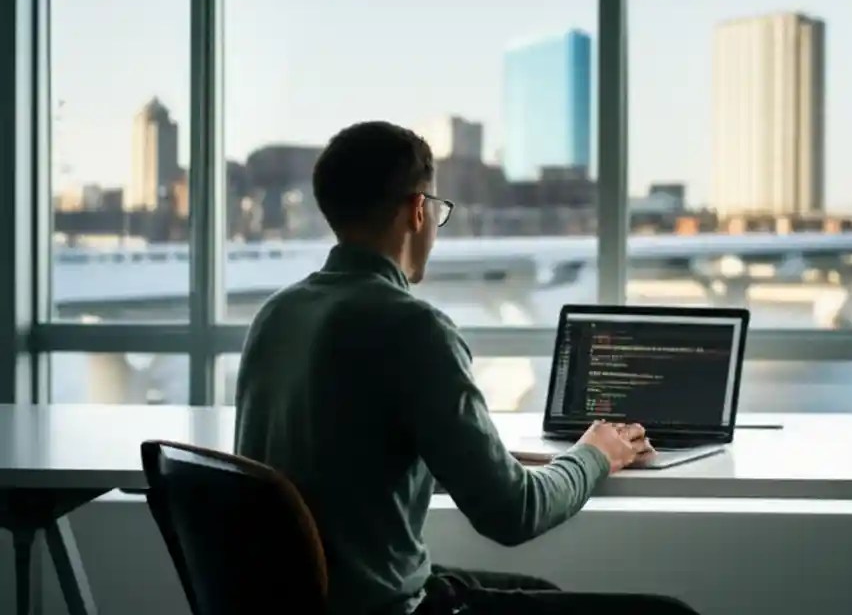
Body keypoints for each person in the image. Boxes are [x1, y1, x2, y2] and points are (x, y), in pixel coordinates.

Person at [234, 121, 699, 615]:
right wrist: (595, 453)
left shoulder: (276, 314)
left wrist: (496, 463)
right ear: (418, 210)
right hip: (386, 607)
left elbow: (350, 465)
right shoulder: (413, 327)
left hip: (306, 600)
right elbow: (513, 514)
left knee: (539, 591)